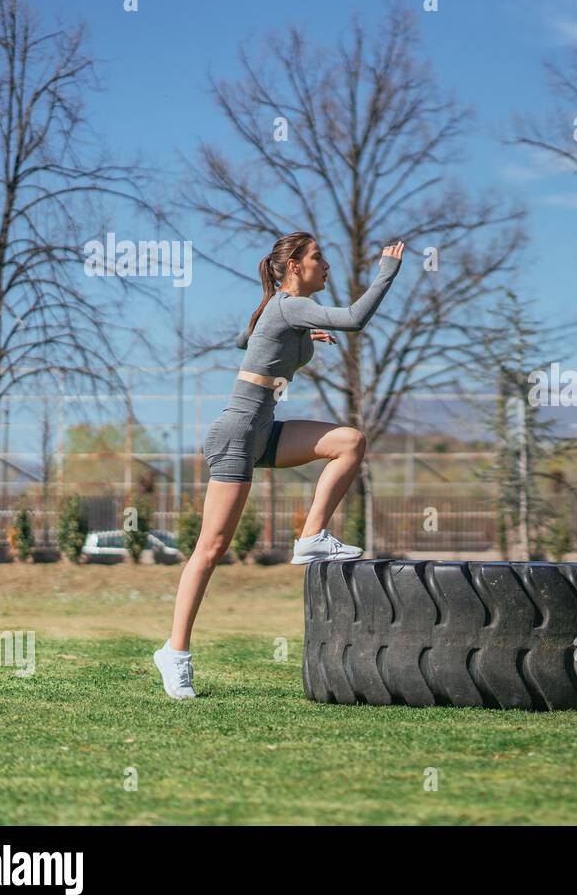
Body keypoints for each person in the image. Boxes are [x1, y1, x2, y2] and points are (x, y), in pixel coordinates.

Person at [153, 232, 405, 699]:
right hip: (236, 433)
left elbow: (244, 339)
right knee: (210, 549)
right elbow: (355, 318)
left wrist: (298, 333)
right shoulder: (289, 304)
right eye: (317, 258)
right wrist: (386, 273)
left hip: (264, 430)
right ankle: (175, 653)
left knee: (349, 441)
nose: (325, 265)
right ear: (293, 267)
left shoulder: (285, 309)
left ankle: (310, 538)